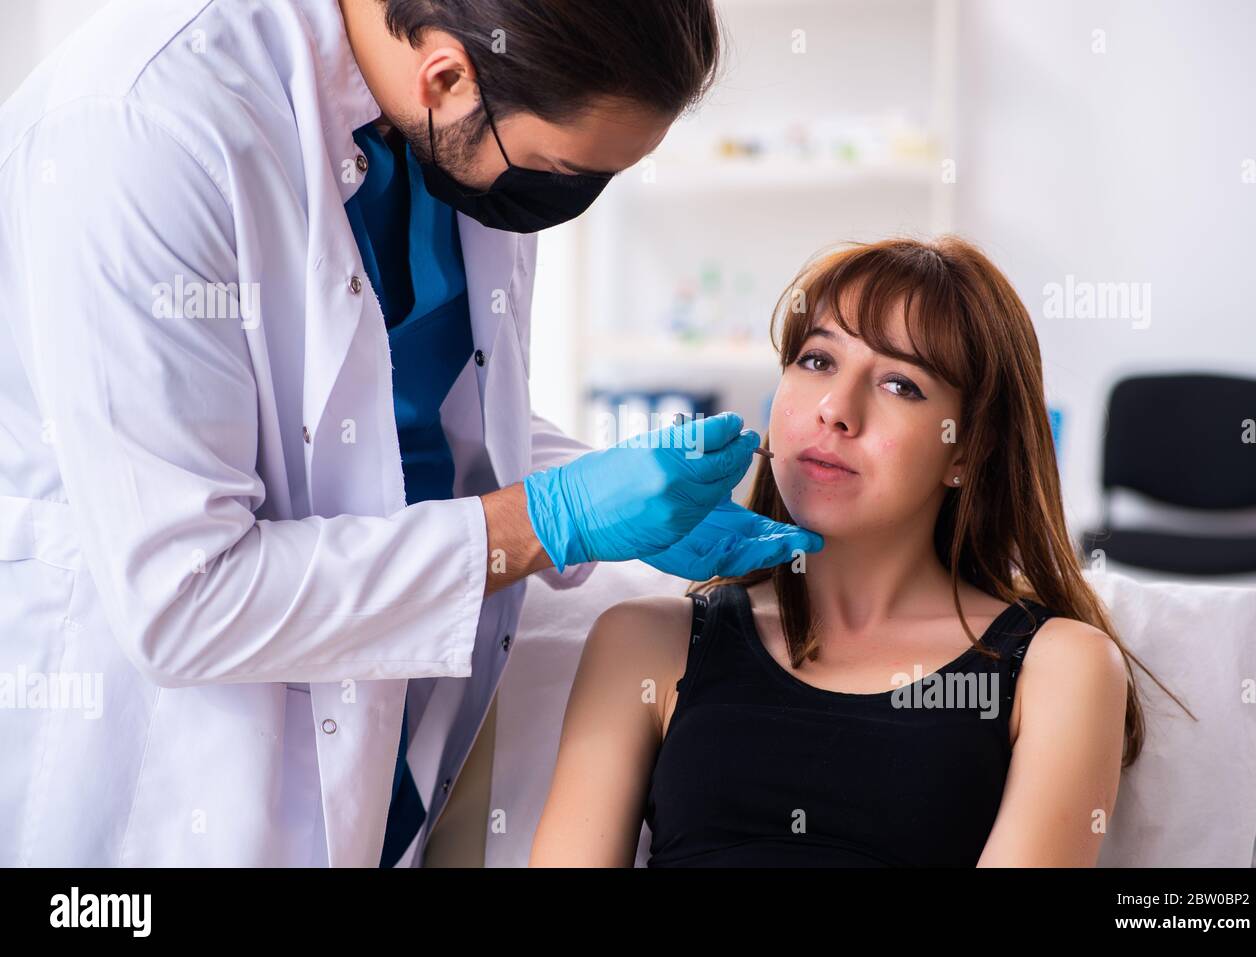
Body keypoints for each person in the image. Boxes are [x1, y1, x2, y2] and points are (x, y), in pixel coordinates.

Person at [0, 0, 823, 867]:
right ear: (445, 77)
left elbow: (420, 420)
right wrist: (552, 519)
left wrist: (602, 484)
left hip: (388, 739)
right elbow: (186, 598)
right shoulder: (144, 125)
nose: (564, 199)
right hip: (168, 770)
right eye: (558, 170)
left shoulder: (455, 125)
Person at [530, 236, 1191, 867]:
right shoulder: (646, 641)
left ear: (967, 450)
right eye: (817, 360)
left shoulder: (1059, 667)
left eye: (901, 384)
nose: (834, 410)